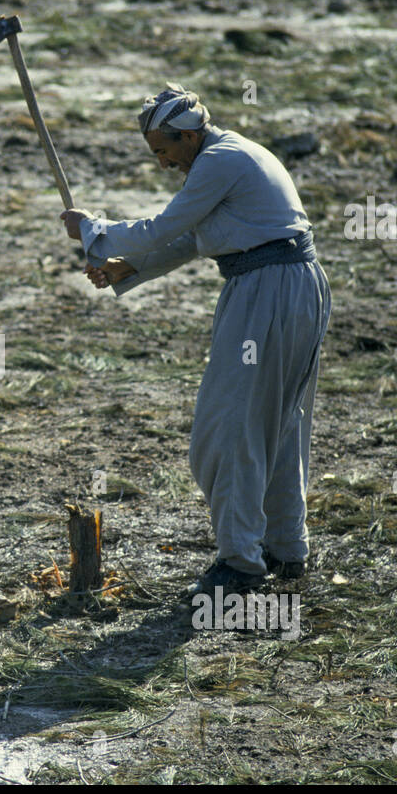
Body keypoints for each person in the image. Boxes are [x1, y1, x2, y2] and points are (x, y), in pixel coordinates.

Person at [60, 82, 331, 595]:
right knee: (277, 423)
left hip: (266, 290)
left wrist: (93, 230)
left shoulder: (219, 159)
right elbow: (191, 239)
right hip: (291, 285)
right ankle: (284, 548)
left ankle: (240, 564)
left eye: (163, 151)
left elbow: (165, 226)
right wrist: (124, 268)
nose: (163, 163)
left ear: (187, 136)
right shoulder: (232, 156)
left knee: (230, 427)